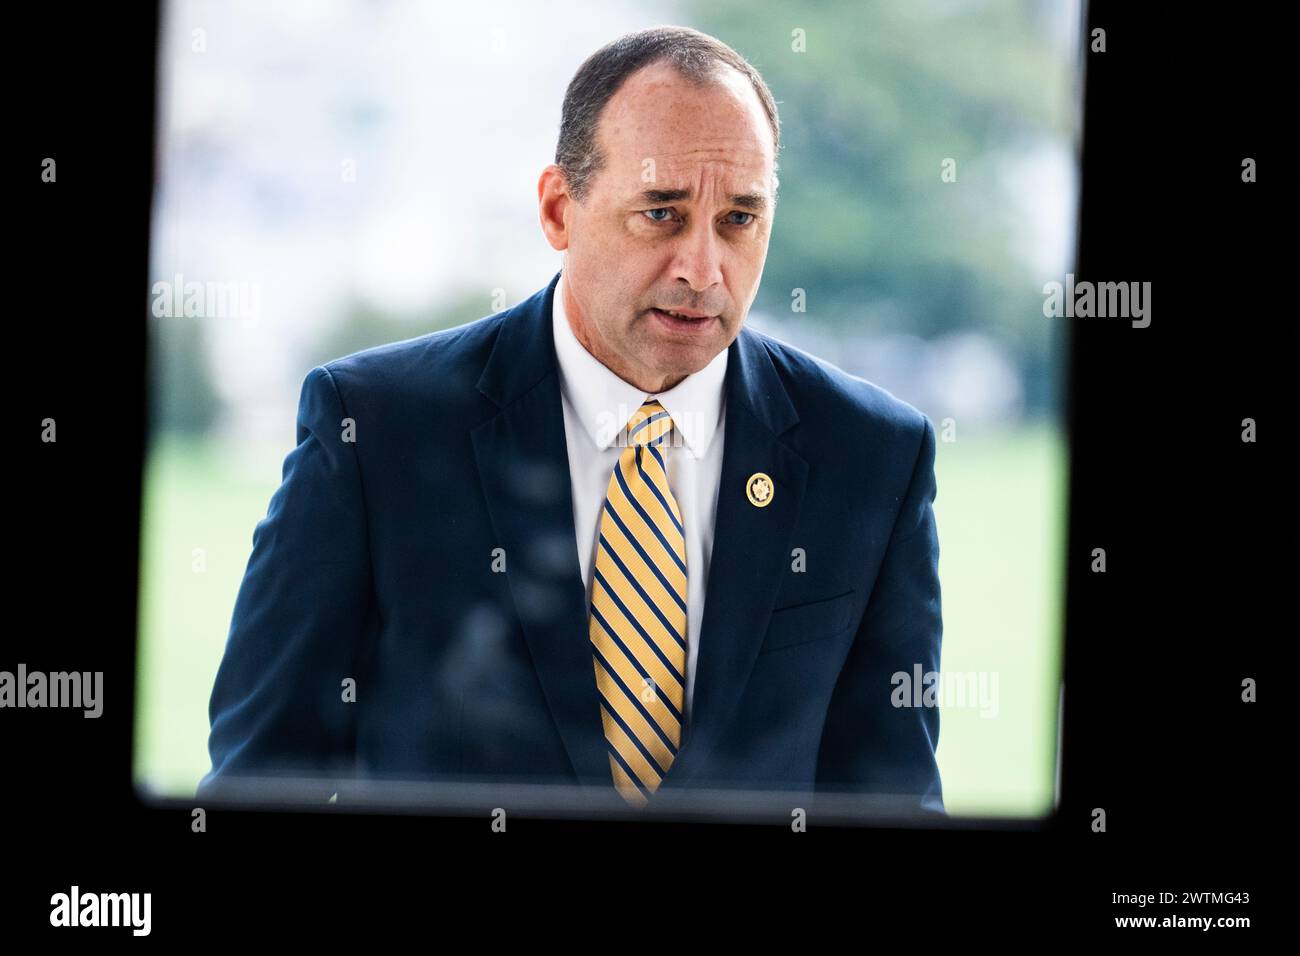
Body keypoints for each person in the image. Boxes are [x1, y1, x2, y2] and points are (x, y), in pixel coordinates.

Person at [198, 25, 944, 815]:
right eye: (661, 213)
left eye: (738, 220)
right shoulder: (374, 431)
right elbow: (261, 779)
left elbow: (894, 803)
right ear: (559, 209)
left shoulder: (871, 458)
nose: (702, 269)